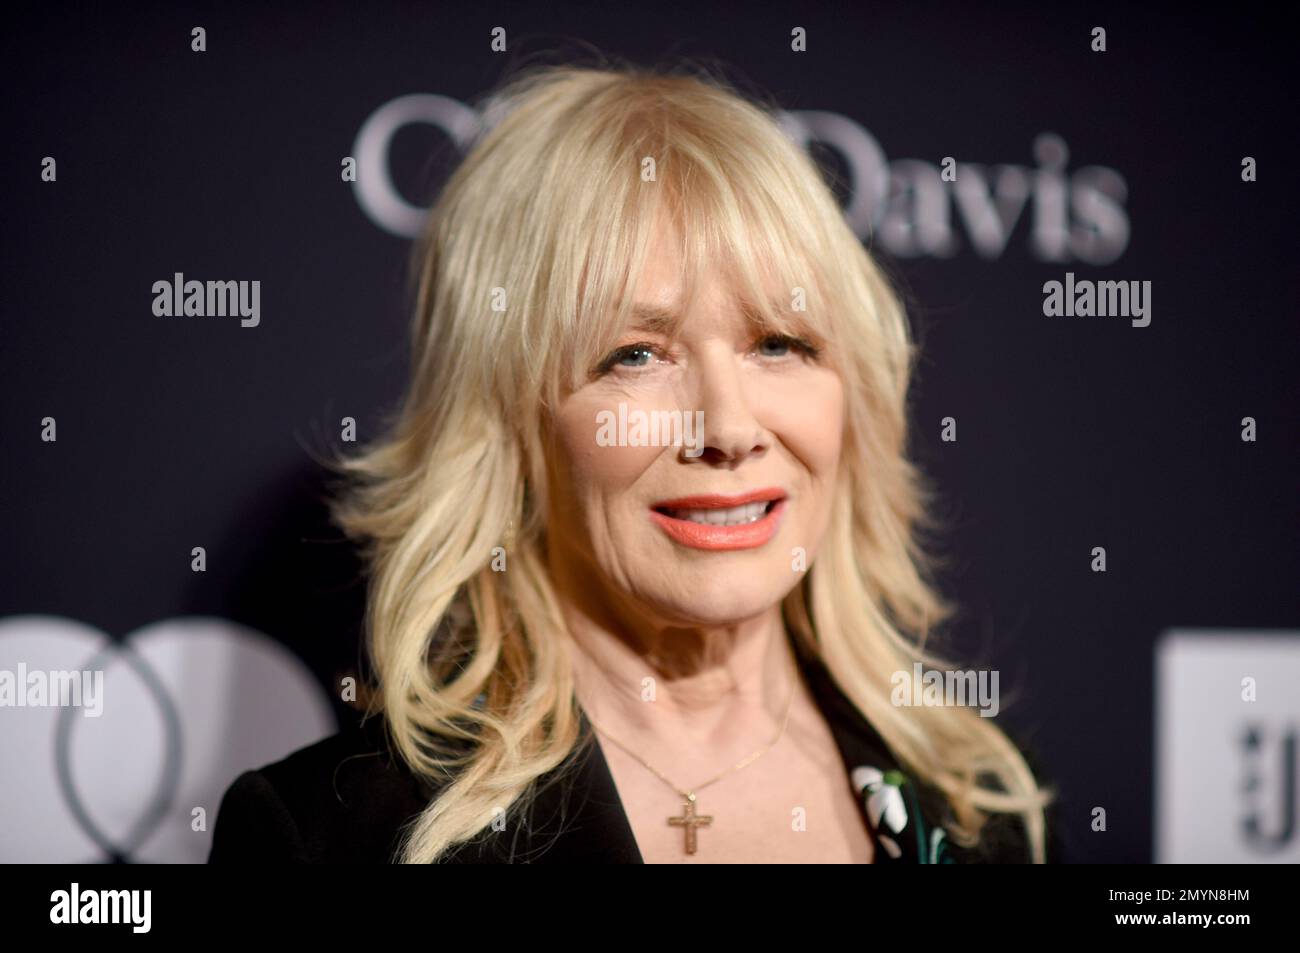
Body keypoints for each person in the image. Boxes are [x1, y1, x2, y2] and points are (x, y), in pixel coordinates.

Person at [210, 60, 1055, 864]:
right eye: (635, 356)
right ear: (508, 425)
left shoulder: (983, 804)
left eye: (779, 342)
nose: (727, 427)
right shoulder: (330, 838)